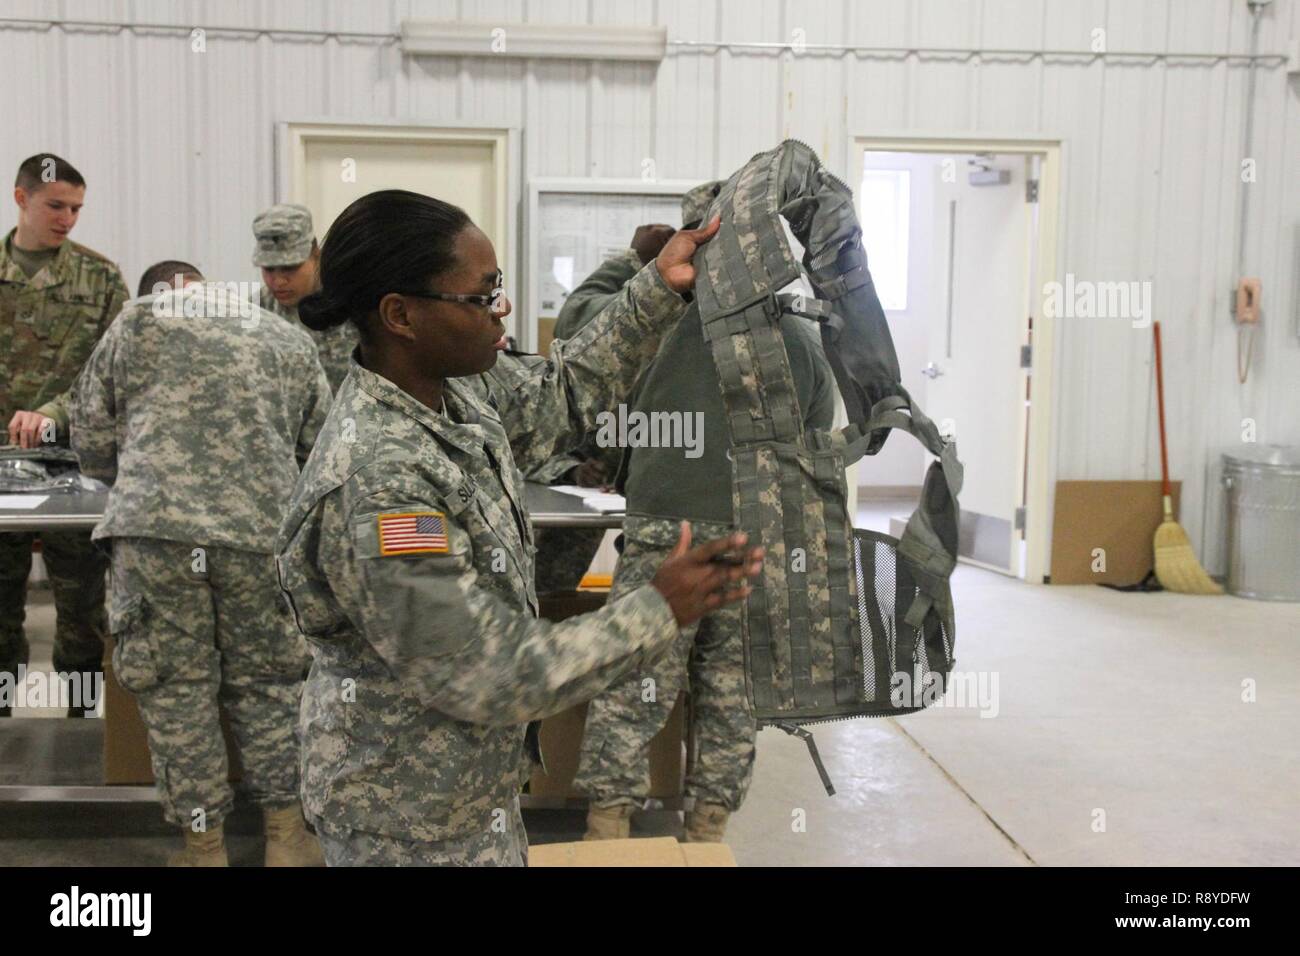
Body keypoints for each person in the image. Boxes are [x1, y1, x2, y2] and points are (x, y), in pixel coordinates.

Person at [276, 189, 763, 866]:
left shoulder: (458, 390)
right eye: (481, 297)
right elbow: (486, 671)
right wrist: (657, 609)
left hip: (468, 792)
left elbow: (564, 392)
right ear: (400, 314)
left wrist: (658, 287)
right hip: (404, 819)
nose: (499, 311)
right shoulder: (381, 481)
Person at [572, 184, 837, 843]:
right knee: (731, 693)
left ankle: (609, 828)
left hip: (670, 530)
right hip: (755, 538)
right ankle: (708, 833)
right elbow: (819, 445)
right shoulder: (801, 338)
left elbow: (580, 327)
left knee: (634, 684)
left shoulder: (656, 324)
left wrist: (633, 262)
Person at [70, 265, 332, 867]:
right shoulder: (287, 338)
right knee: (272, 685)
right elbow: (319, 447)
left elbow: (90, 434)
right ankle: (287, 838)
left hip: (155, 532)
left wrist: (135, 475)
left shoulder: (135, 321)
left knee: (176, 693)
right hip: (258, 535)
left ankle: (203, 847)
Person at [0, 153, 128, 717]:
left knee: (81, 609)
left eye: (77, 208)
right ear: (22, 198)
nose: (68, 218)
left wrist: (55, 410)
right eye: (56, 205)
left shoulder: (99, 279)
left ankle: (83, 729)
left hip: (73, 466)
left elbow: (116, 373)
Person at [253, 202, 357, 393]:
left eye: (290, 267)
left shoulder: (352, 300)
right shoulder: (256, 311)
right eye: (268, 269)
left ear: (315, 254)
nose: (278, 281)